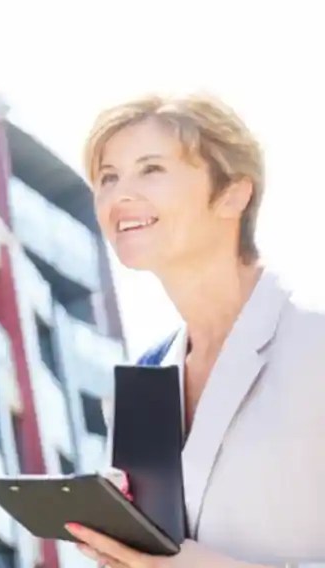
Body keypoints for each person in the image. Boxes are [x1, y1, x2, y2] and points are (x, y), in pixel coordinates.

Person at [67, 95, 325, 567]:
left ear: (233, 194)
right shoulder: (143, 383)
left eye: (151, 169)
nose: (120, 194)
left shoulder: (315, 337)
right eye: (108, 177)